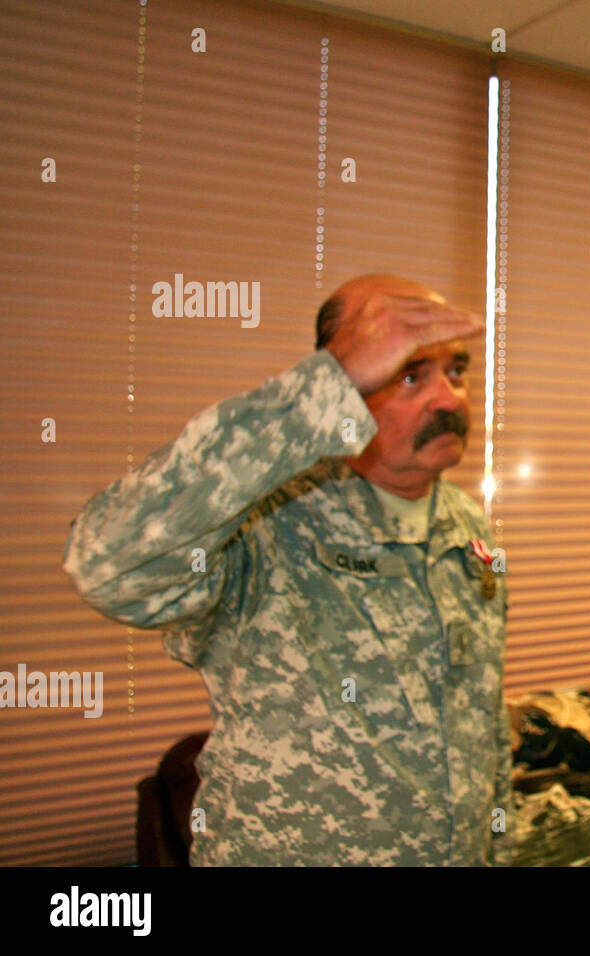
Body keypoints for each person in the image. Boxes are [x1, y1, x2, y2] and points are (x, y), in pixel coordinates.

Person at [64, 274, 510, 865]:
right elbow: (108, 566)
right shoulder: (264, 519)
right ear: (348, 381)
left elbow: (482, 713)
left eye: (456, 371)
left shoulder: (468, 528)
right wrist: (318, 394)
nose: (449, 399)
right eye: (408, 374)